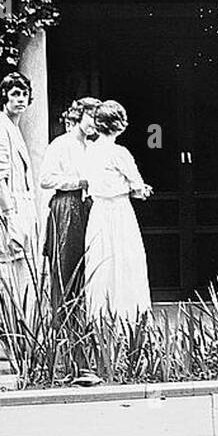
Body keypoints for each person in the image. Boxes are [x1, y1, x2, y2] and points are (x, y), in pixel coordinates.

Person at [39, 98, 99, 371]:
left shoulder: (92, 147)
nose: (94, 123)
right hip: (66, 206)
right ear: (79, 116)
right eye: (91, 117)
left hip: (87, 207)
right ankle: (64, 344)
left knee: (87, 269)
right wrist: (77, 181)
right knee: (66, 270)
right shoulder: (60, 144)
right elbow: (45, 179)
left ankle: (84, 343)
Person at [82, 100, 154, 320]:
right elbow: (137, 186)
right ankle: (127, 318)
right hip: (119, 212)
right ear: (118, 125)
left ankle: (101, 318)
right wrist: (141, 190)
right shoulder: (119, 152)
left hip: (98, 212)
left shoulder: (90, 150)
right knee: (124, 261)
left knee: (102, 262)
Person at [0, 72, 40, 318]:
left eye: (24, 94)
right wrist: (10, 216)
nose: (21, 99)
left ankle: (24, 328)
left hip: (22, 207)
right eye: (15, 94)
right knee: (8, 273)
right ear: (4, 96)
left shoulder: (13, 129)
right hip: (9, 211)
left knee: (24, 273)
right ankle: (8, 332)